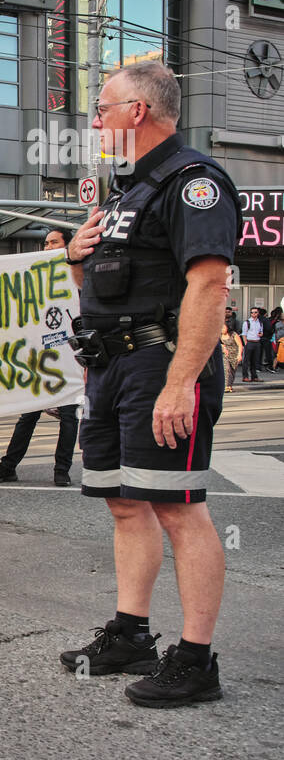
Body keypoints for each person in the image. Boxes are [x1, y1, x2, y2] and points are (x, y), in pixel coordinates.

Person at [61, 60, 239, 708]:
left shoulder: (193, 182)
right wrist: (77, 259)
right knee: (124, 502)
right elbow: (110, 286)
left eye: (103, 107)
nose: (96, 120)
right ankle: (132, 633)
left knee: (177, 506)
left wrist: (181, 381)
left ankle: (196, 659)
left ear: (138, 111)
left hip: (160, 365)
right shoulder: (124, 193)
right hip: (110, 368)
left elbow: (209, 283)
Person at [0, 228, 80, 488]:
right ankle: (8, 467)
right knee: (28, 416)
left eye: (54, 242)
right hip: (40, 361)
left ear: (68, 245)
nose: (48, 247)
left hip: (67, 359)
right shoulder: (36, 271)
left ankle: (62, 470)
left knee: (69, 418)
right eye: (46, 243)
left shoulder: (79, 272)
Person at [240, 306, 264, 383]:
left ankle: (254, 376)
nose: (253, 314)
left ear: (258, 313)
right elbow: (244, 333)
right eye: (252, 312)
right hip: (249, 342)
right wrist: (245, 343)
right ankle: (245, 376)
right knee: (246, 361)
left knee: (255, 360)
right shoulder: (247, 322)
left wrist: (261, 334)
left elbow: (261, 331)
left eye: (255, 312)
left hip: (257, 342)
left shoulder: (260, 322)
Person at [218, 320, 243, 394]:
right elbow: (219, 344)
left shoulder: (234, 334)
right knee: (226, 369)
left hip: (234, 354)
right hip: (225, 354)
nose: (222, 329)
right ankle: (225, 386)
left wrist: (239, 355)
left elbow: (240, 345)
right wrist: (223, 348)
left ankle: (229, 385)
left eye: (223, 327)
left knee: (232, 371)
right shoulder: (219, 335)